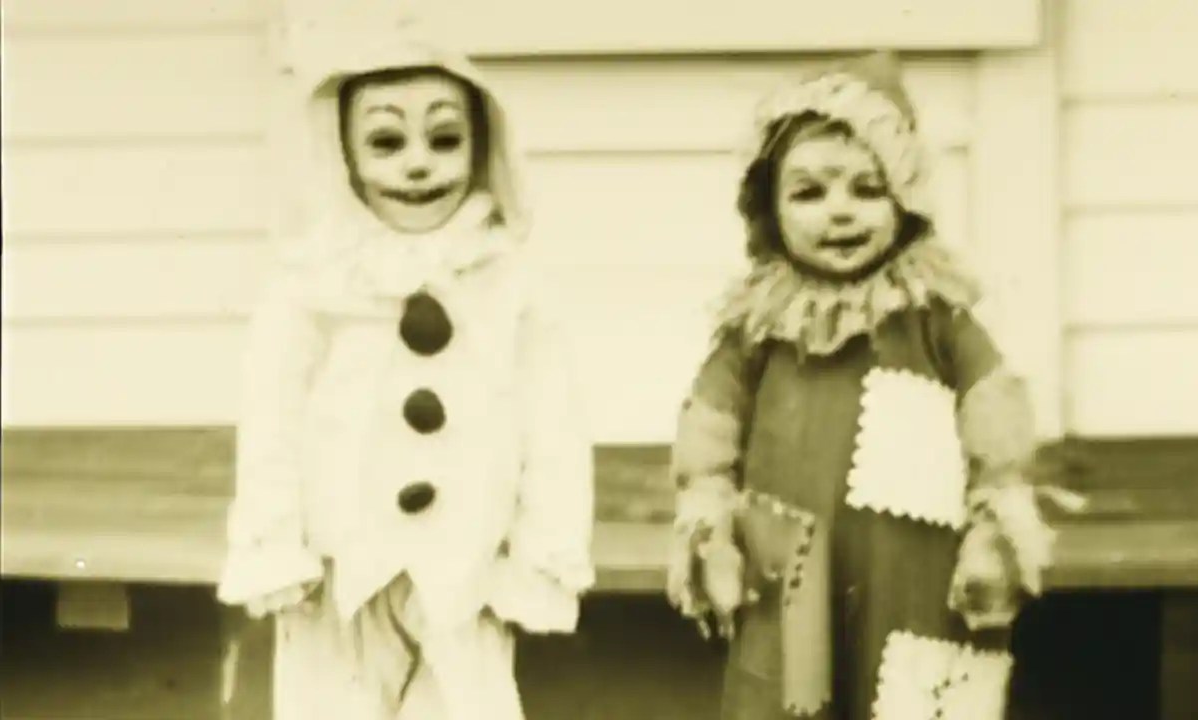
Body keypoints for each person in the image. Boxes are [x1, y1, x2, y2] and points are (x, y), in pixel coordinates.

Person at [666, 53, 1077, 719]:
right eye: (809, 193)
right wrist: (708, 519)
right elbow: (709, 427)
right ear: (767, 205)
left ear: (907, 196)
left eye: (867, 188)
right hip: (788, 565)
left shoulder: (932, 314)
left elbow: (993, 412)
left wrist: (995, 518)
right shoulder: (759, 326)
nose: (841, 213)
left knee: (907, 693)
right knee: (790, 696)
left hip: (910, 568)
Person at [215, 19, 594, 719]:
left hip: (465, 568)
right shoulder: (311, 282)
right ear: (346, 157)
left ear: (482, 151)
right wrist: (275, 543)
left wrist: (542, 554)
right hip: (336, 571)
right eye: (387, 143)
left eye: (444, 139)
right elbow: (271, 418)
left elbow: (554, 430)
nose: (418, 165)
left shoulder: (512, 284)